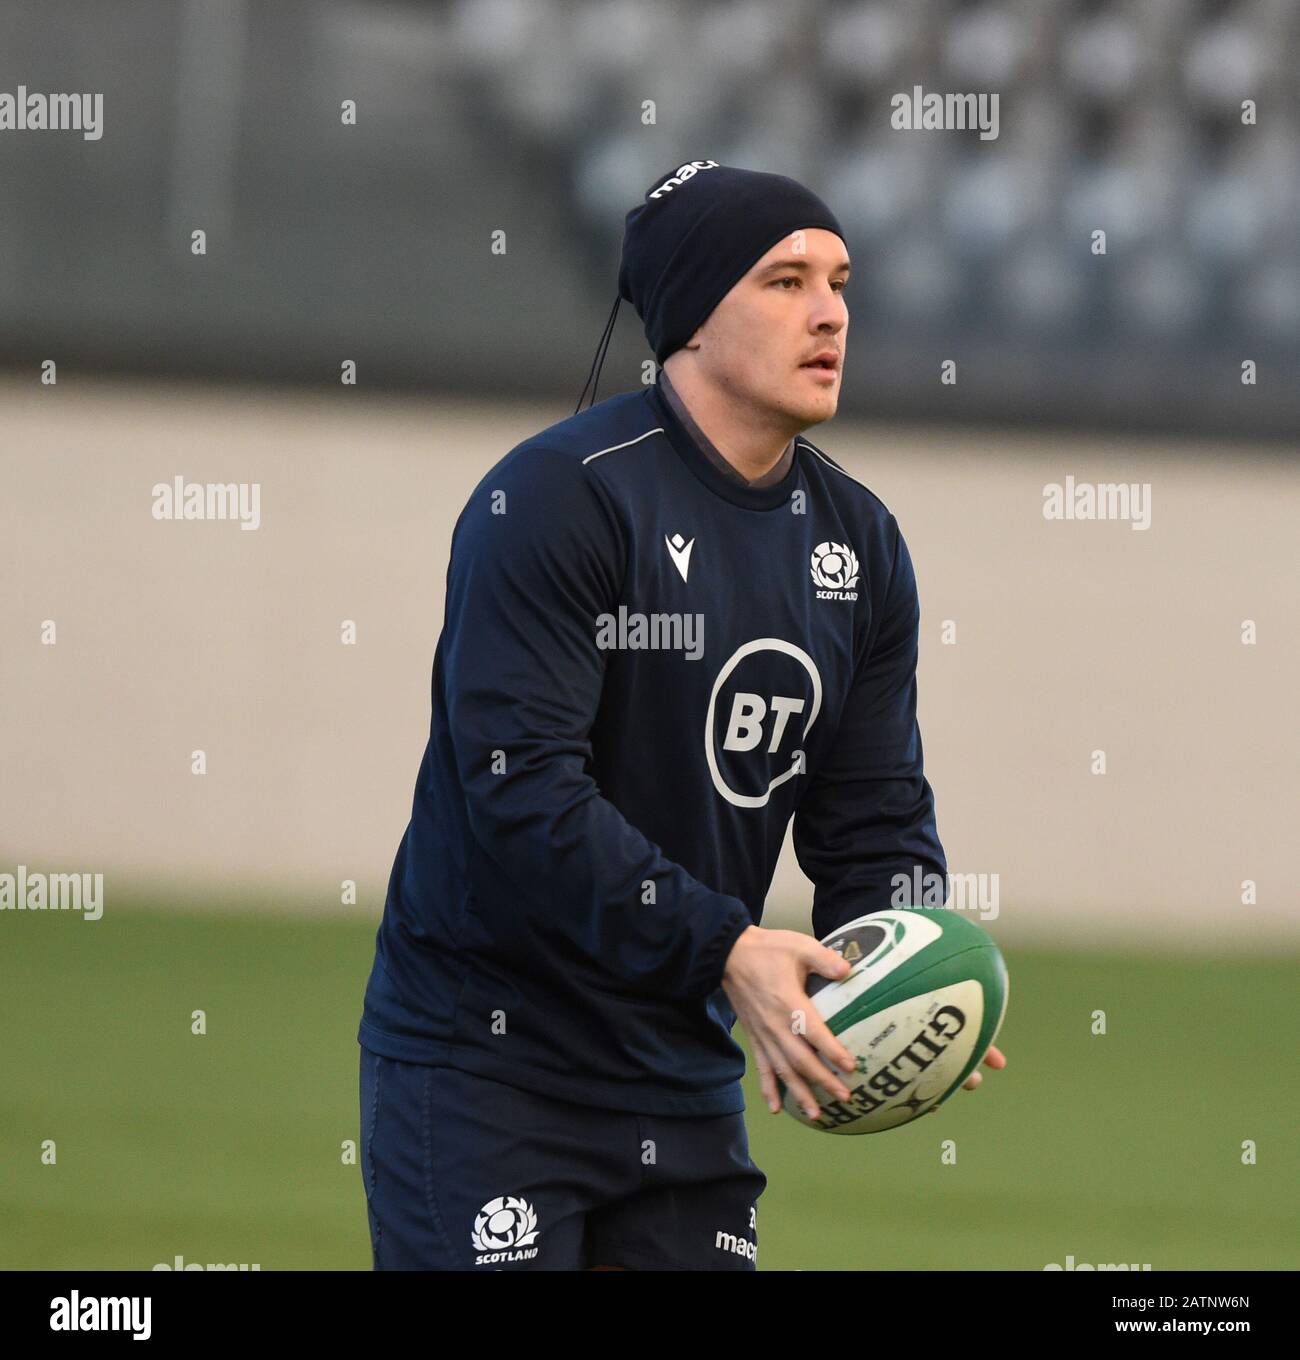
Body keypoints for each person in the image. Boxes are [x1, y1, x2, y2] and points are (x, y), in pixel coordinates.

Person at [357, 159, 1004, 1272]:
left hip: (680, 1079)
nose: (831, 311)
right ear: (692, 316)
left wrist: (908, 961)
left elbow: (874, 813)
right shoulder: (560, 498)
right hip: (489, 1069)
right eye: (785, 280)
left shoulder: (861, 543)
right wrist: (724, 947)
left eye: (840, 281)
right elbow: (522, 790)